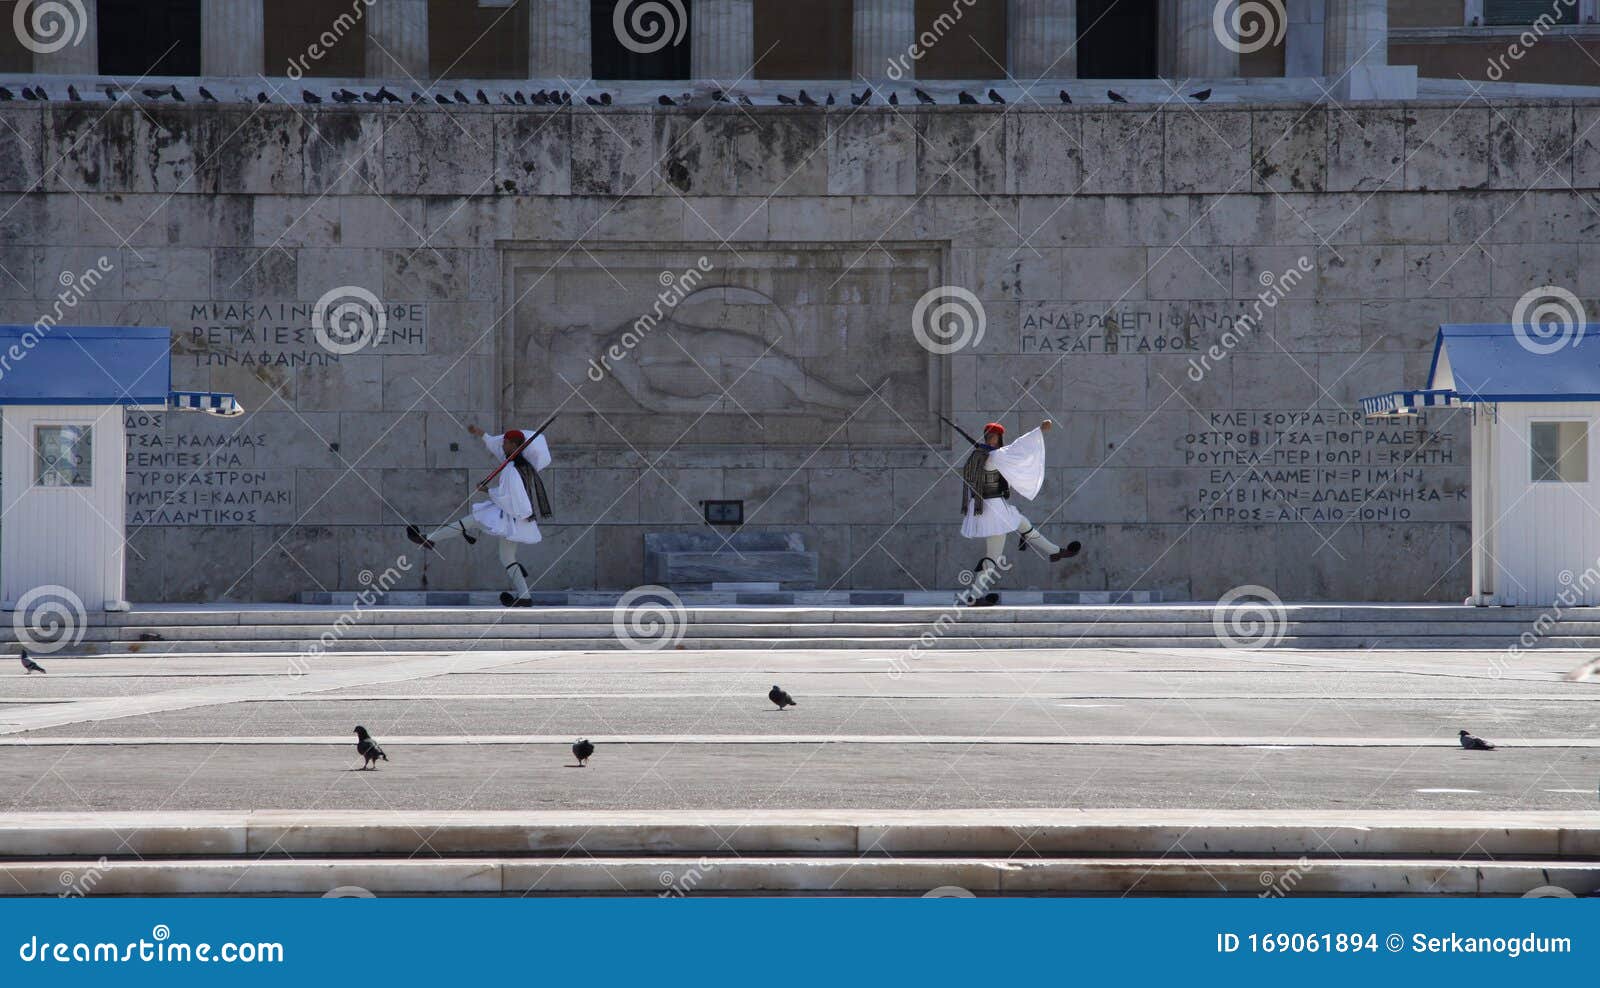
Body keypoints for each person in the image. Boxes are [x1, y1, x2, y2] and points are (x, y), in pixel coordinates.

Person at [407, 423, 552, 607]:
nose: (503, 445)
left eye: (506, 442)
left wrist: (487, 491)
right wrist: (481, 434)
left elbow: (511, 498)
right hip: (514, 519)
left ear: (514, 445)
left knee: (472, 521)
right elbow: (497, 449)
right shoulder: (518, 464)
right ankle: (524, 597)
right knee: (506, 557)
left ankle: (429, 538)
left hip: (510, 518)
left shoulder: (512, 469)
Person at [958, 420, 1079, 606]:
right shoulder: (993, 456)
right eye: (990, 437)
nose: (993, 440)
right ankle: (974, 596)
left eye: (995, 437)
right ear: (987, 438)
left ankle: (1056, 551)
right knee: (993, 557)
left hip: (993, 507)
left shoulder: (979, 455)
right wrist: (1039, 430)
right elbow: (1018, 448)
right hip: (993, 510)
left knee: (1023, 524)